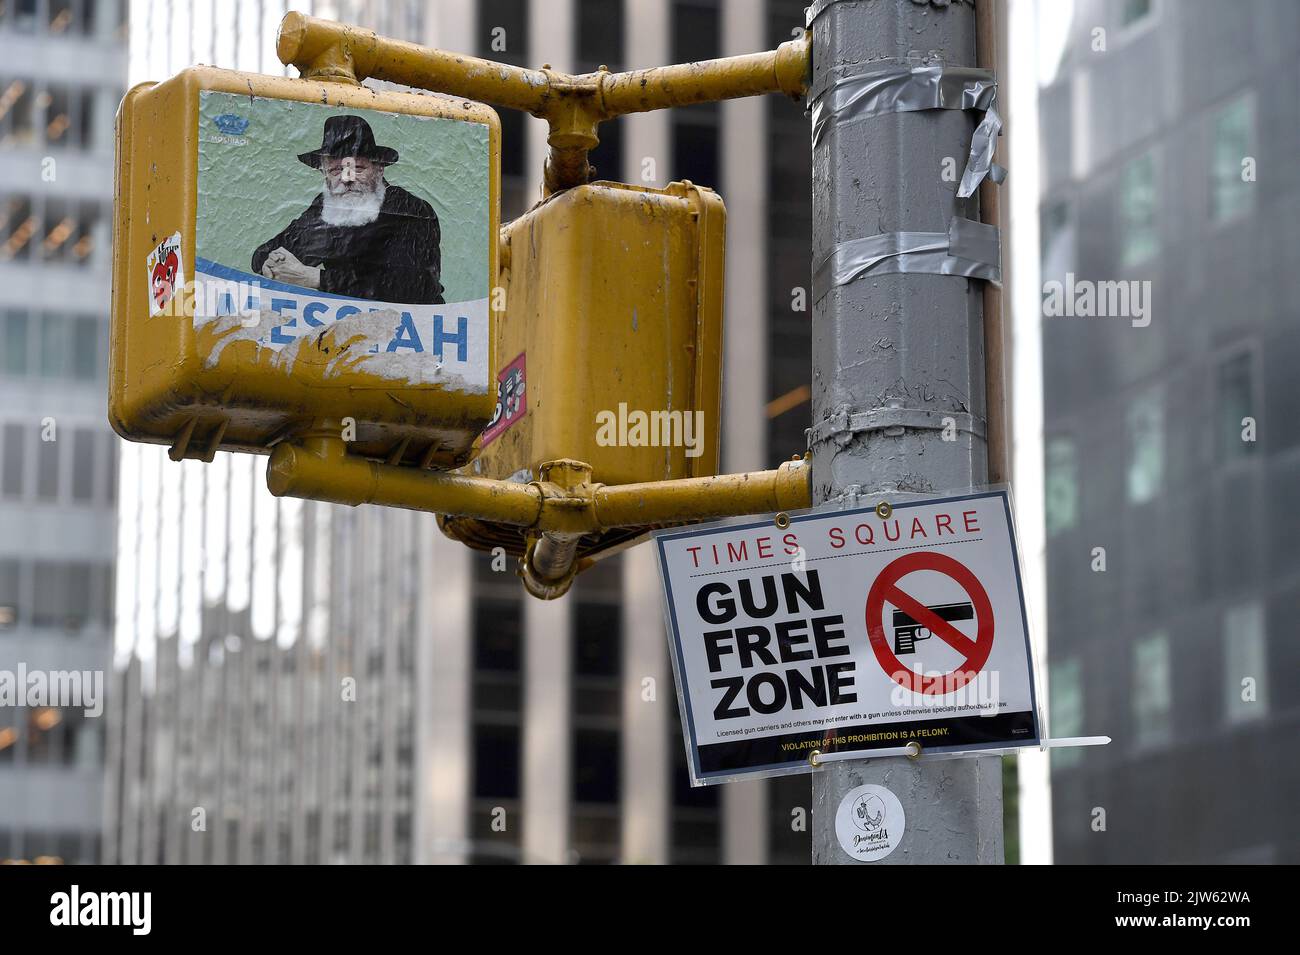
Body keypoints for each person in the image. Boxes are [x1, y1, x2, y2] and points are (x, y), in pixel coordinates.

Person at [252, 114, 444, 304]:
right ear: (324, 174)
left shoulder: (410, 210)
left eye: (358, 168)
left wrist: (314, 278)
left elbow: (407, 288)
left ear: (379, 169)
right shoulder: (328, 206)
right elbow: (266, 253)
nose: (347, 178)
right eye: (336, 170)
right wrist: (273, 262)